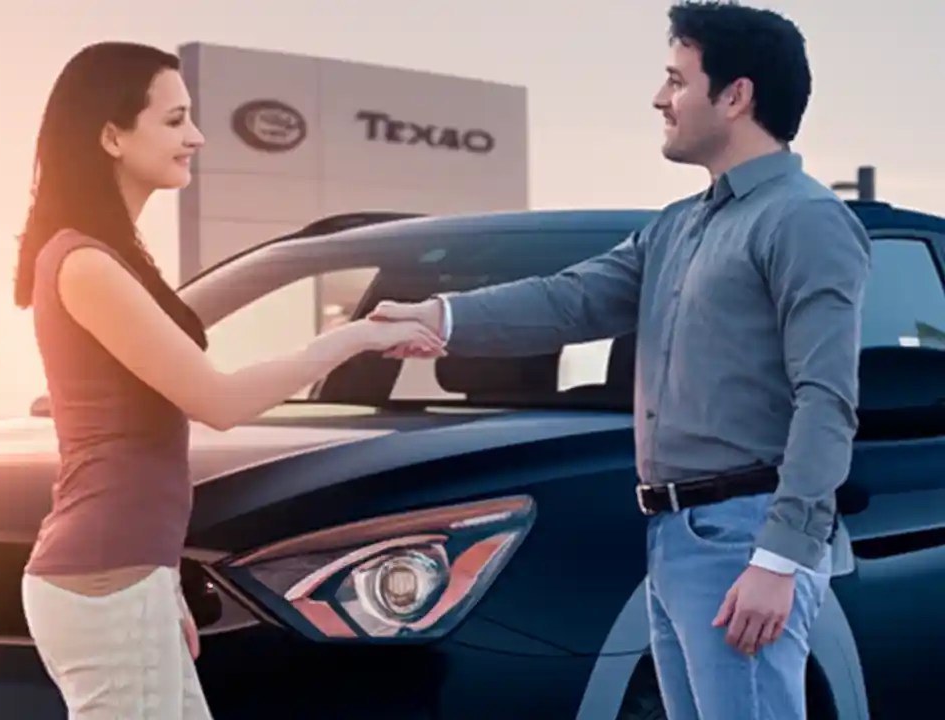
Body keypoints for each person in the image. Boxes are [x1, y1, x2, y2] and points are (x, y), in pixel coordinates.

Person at [371, 3, 869, 719]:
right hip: (674, 537)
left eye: (676, 79)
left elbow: (827, 401)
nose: (660, 98)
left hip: (745, 537)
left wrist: (779, 558)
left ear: (736, 96)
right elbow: (568, 301)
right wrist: (437, 317)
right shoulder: (677, 226)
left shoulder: (806, 220)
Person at [12, 42, 442, 719]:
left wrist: (163, 581)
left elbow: (133, 446)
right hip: (106, 578)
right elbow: (218, 400)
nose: (197, 137)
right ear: (111, 135)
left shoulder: (107, 257)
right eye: (175, 119)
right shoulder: (86, 264)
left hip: (125, 575)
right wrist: (351, 338)